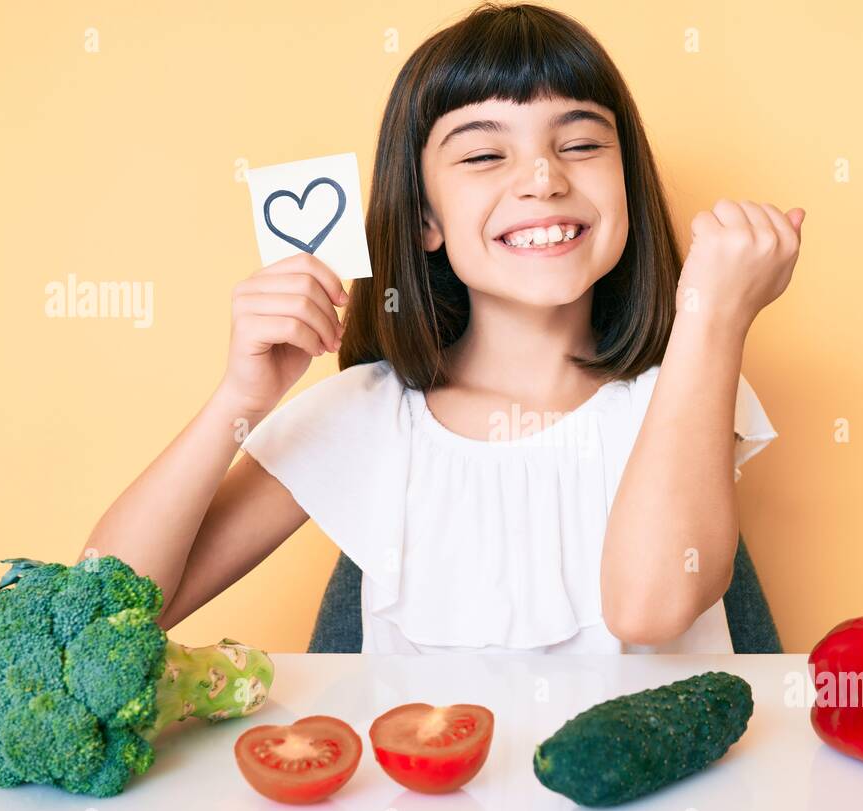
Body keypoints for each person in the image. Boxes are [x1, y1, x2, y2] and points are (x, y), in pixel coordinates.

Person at [78, 2, 803, 654]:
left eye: (580, 144)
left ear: (628, 187)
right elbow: (108, 610)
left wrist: (713, 316)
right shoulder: (365, 416)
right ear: (424, 217)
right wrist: (239, 398)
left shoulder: (682, 390)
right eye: (485, 154)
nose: (543, 178)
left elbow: (651, 611)